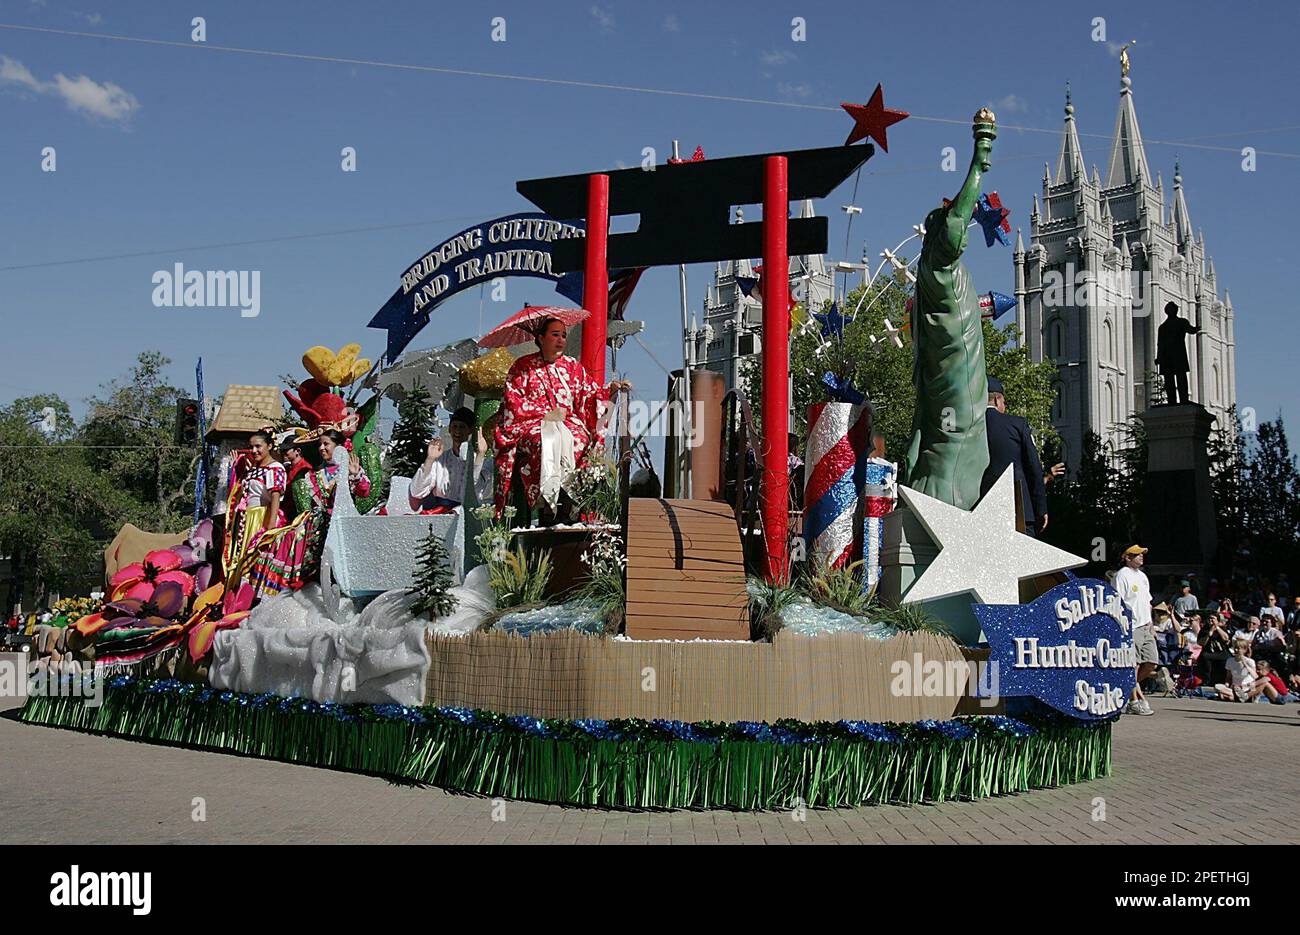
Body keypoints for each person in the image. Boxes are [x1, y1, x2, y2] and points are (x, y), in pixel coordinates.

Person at [494, 317, 630, 522]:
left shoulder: (573, 367)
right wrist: (545, 415)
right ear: (541, 338)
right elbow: (513, 403)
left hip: (569, 424)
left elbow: (589, 396)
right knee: (546, 440)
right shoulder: (522, 366)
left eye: (564, 335)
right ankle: (547, 501)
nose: (560, 340)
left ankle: (568, 501)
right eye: (555, 334)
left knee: (578, 439)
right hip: (532, 425)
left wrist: (609, 391)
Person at [247, 430, 370, 596]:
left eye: (326, 444)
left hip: (341, 524)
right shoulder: (316, 474)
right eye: (320, 444)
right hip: (318, 522)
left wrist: (355, 475)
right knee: (288, 537)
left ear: (339, 446)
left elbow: (364, 492)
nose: (321, 448)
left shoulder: (350, 469)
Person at [981, 377, 1048, 535]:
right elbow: (1034, 468)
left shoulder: (969, 427)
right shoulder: (1018, 425)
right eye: (1004, 402)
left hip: (981, 509)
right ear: (997, 400)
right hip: (1018, 508)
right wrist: (1040, 508)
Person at [222, 431, 287, 572]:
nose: (254, 451)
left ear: (269, 446)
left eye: (258, 446)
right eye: (251, 447)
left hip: (261, 518)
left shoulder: (275, 468)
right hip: (247, 518)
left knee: (254, 562)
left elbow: (275, 497)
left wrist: (270, 529)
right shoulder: (253, 470)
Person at [1115, 544, 1158, 715]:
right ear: (1127, 557)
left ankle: (1125, 688)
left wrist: (1152, 625)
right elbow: (1117, 602)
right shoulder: (1121, 575)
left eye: (1142, 554)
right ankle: (1134, 700)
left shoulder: (1143, 577)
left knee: (1151, 663)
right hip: (1131, 626)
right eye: (1137, 554)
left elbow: (1147, 602)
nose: (1141, 557)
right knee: (1133, 664)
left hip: (1146, 626)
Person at [409, 407, 476, 511]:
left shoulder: (476, 461)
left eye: (462, 427)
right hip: (439, 512)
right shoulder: (440, 459)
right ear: (449, 429)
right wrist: (430, 459)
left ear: (470, 430)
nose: (457, 431)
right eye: (455, 426)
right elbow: (417, 492)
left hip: (465, 513)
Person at [1155, 301, 1200, 405]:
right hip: (1173, 356)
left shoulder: (1180, 323)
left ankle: (1181, 399)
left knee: (1179, 378)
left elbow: (1191, 330)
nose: (1173, 311)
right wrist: (1159, 357)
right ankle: (1174, 401)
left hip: (1173, 356)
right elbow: (1160, 344)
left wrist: (1159, 358)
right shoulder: (1164, 327)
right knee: (1172, 379)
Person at [1214, 638, 1257, 702]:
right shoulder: (1230, 660)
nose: (1236, 650)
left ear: (1245, 650)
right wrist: (1227, 684)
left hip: (1246, 687)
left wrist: (1245, 663)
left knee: (1226, 696)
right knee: (1217, 686)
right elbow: (1228, 677)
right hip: (1235, 688)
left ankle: (1234, 696)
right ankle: (1233, 696)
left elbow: (1255, 676)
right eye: (1235, 648)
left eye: (1238, 648)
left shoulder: (1250, 661)